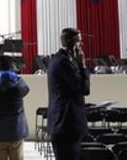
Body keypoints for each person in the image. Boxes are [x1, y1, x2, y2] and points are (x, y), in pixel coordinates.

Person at [47, 28, 91, 160]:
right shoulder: (63, 62)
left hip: (64, 123)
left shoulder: (60, 59)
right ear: (71, 42)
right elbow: (84, 89)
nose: (81, 44)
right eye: (79, 41)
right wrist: (82, 66)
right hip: (66, 124)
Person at [0, 54, 30, 160]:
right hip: (16, 131)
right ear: (12, 67)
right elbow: (26, 89)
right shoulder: (18, 83)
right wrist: (15, 75)